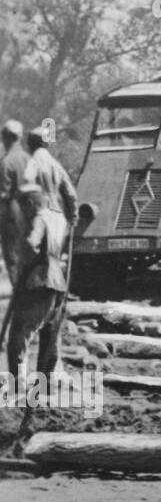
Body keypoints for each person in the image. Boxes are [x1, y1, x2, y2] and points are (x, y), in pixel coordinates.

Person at [6, 184, 70, 379]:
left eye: (24, 206)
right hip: (58, 279)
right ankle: (44, 386)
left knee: (20, 332)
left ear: (32, 203)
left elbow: (30, 244)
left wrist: (22, 263)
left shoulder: (40, 218)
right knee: (50, 335)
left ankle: (17, 384)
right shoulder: (60, 219)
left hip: (39, 278)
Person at [1, 120, 31, 286]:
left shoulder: (6, 162)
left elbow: (4, 193)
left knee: (12, 255)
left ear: (6, 137)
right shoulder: (29, 158)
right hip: (31, 212)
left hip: (13, 214)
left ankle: (18, 293)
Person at [23, 131, 76, 223]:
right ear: (45, 144)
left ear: (30, 146)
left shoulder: (26, 164)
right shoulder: (55, 165)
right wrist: (73, 216)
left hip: (33, 217)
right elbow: (70, 193)